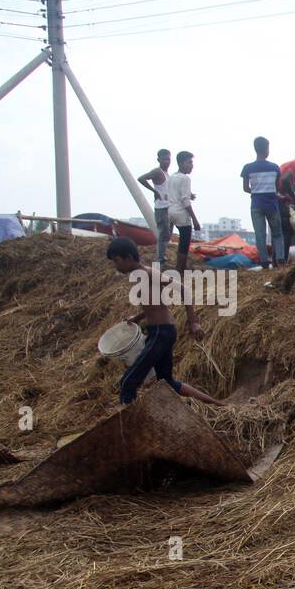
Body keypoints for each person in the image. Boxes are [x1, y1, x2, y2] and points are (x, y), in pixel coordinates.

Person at [105, 237, 226, 408]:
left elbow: (183, 289)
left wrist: (194, 322)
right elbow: (156, 305)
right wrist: (137, 319)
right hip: (160, 332)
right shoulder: (139, 277)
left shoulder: (148, 273)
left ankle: (127, 426)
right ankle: (219, 404)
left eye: (117, 260)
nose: (115, 265)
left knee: (129, 382)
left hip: (161, 333)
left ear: (129, 258)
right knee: (166, 382)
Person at [240, 136, 286, 269]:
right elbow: (277, 188)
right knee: (277, 233)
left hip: (256, 204)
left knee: (260, 235)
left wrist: (256, 191)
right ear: (266, 149)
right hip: (271, 204)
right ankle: (280, 260)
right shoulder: (274, 167)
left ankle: (265, 262)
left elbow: (245, 188)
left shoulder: (247, 168)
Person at [166, 151, 200, 275]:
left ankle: (176, 267)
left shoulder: (171, 177)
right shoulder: (185, 178)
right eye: (189, 162)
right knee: (184, 243)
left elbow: (173, 194)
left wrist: (190, 195)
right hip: (181, 214)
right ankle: (180, 270)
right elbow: (185, 201)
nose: (191, 165)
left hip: (170, 212)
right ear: (181, 163)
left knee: (175, 240)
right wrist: (195, 219)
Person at [137, 149, 172, 270]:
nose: (167, 162)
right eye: (164, 159)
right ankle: (160, 260)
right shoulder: (157, 171)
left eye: (168, 159)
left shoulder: (167, 173)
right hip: (161, 208)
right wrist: (154, 191)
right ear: (159, 160)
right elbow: (141, 178)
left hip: (169, 207)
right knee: (163, 234)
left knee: (168, 234)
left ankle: (163, 257)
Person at [277, 152, 295, 254]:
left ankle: (277, 260)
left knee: (278, 231)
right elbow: (285, 180)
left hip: (276, 198)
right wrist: (294, 197)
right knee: (287, 230)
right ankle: (283, 259)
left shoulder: (289, 164)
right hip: (280, 200)